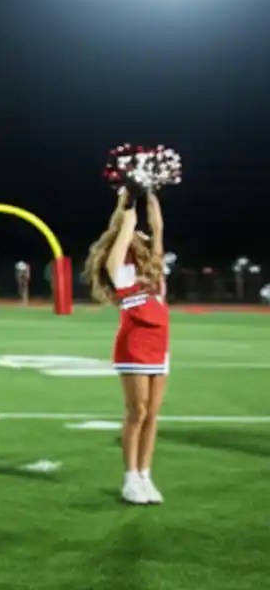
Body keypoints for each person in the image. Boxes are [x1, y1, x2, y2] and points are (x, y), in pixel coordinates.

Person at [83, 189, 168, 505]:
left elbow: (158, 226)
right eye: (136, 231)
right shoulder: (119, 267)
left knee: (153, 415)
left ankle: (146, 474)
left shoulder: (153, 267)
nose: (143, 233)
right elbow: (123, 225)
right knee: (138, 411)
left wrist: (150, 190)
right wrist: (127, 202)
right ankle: (130, 477)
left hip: (161, 346)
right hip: (135, 347)